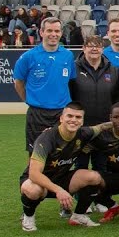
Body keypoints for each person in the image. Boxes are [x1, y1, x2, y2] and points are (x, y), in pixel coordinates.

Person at [18, 103, 105, 231]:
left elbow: (102, 127)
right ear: (61, 118)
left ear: (82, 121)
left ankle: (78, 216)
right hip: (38, 182)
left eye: (78, 117)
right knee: (32, 189)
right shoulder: (46, 138)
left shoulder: (83, 133)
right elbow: (34, 174)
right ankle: (28, 218)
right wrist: (59, 190)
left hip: (61, 177)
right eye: (69, 116)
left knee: (94, 177)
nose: (73, 120)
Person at [13, 16, 74, 156]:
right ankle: (32, 178)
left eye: (57, 31)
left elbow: (70, 82)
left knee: (61, 154)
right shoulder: (28, 56)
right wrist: (28, 100)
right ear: (41, 32)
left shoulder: (68, 56)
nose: (53, 34)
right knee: (35, 154)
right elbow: (18, 83)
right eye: (49, 30)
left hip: (61, 113)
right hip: (37, 114)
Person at [70, 35, 119, 128]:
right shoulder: (73, 68)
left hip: (106, 125)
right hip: (80, 125)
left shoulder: (113, 70)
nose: (94, 49)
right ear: (83, 48)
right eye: (90, 46)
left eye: (97, 46)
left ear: (102, 49)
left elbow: (117, 97)